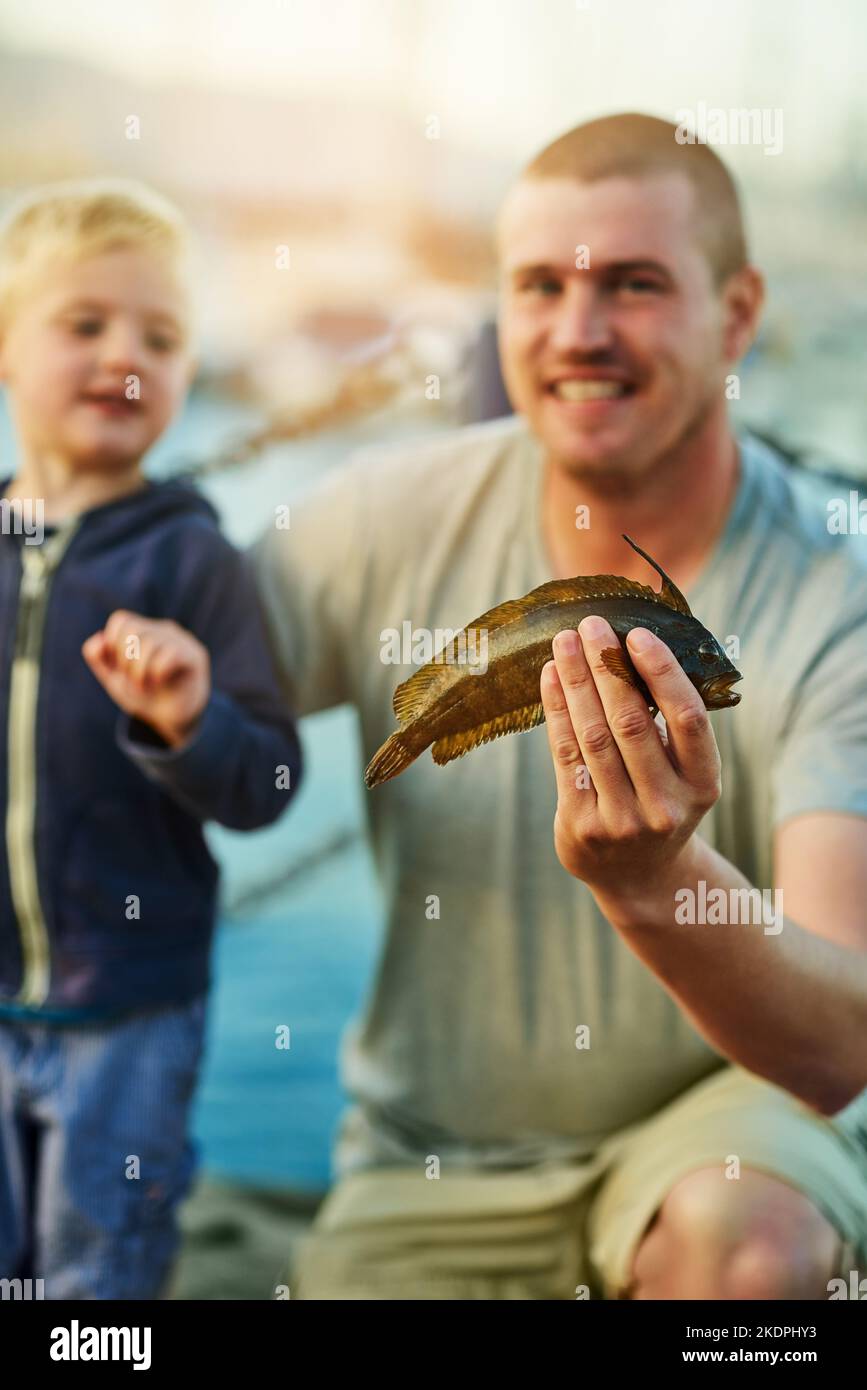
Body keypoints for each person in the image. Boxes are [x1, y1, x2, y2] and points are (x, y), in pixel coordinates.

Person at [253, 113, 867, 1300]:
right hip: (429, 1161)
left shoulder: (839, 594)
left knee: (747, 1252)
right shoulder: (381, 513)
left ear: (737, 316)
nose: (579, 333)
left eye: (634, 285)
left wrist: (656, 885)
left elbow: (844, 1040)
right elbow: (182, 697)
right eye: (539, 286)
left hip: (725, 1129)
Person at [0, 179, 302, 1298]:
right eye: (85, 324)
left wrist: (189, 721)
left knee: (100, 1263)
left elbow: (270, 777)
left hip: (128, 1007)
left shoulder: (191, 562)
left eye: (162, 338)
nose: (125, 353)